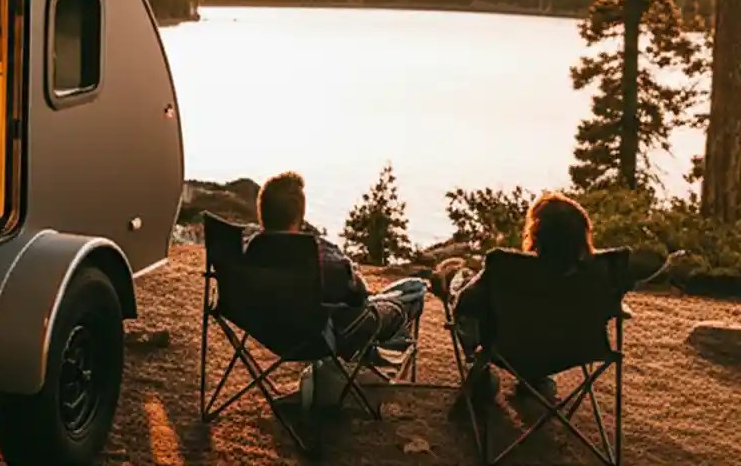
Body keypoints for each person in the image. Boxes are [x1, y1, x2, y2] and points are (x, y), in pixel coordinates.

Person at [432, 191, 598, 401]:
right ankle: (537, 379)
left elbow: (465, 303)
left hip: (504, 348)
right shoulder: (597, 274)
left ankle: (478, 369)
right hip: (568, 350)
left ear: (536, 232)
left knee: (462, 289)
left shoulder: (505, 266)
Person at [245, 171, 427, 361]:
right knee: (414, 290)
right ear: (299, 216)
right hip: (328, 335)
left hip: (272, 331)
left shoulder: (252, 249)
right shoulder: (315, 254)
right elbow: (359, 295)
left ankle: (371, 357)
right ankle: (378, 362)